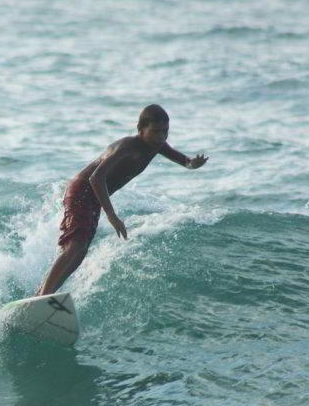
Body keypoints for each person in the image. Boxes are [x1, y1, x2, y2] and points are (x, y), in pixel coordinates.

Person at [36, 104, 208, 296]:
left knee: (81, 250)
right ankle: (44, 294)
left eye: (165, 131)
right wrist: (111, 215)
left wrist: (194, 164)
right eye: (156, 132)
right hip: (82, 191)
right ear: (141, 129)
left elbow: (184, 161)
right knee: (75, 245)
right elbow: (96, 177)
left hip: (93, 198)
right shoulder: (127, 147)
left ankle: (42, 295)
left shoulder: (157, 146)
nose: (162, 136)